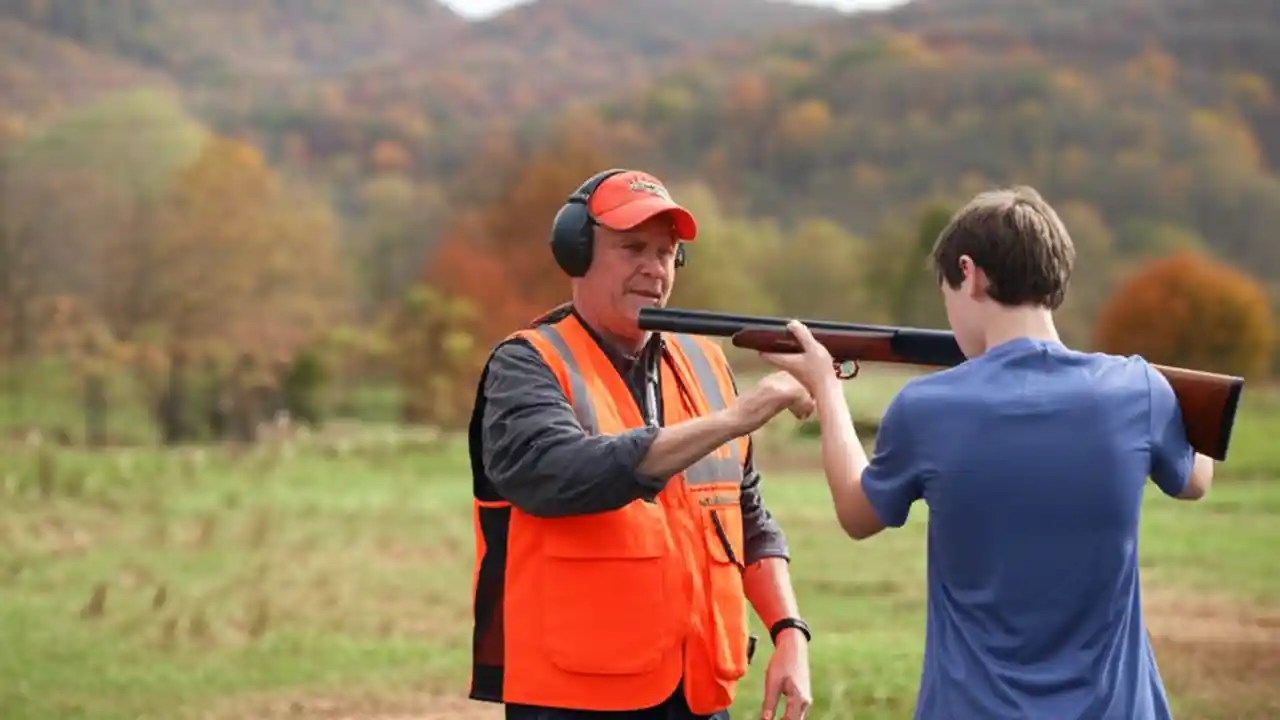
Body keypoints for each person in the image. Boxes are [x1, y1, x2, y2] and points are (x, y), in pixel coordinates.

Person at [760, 185, 1215, 720]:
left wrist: (826, 387)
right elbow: (1195, 479)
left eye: (947, 292)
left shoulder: (927, 407)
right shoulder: (1138, 390)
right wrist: (1175, 400)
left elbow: (858, 514)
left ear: (970, 273)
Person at [467, 168, 816, 720]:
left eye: (667, 252)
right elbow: (559, 473)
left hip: (697, 693)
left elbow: (745, 516)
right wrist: (734, 419)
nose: (654, 268)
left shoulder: (704, 364)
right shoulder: (528, 364)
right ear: (576, 251)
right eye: (632, 248)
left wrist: (789, 630)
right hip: (574, 696)